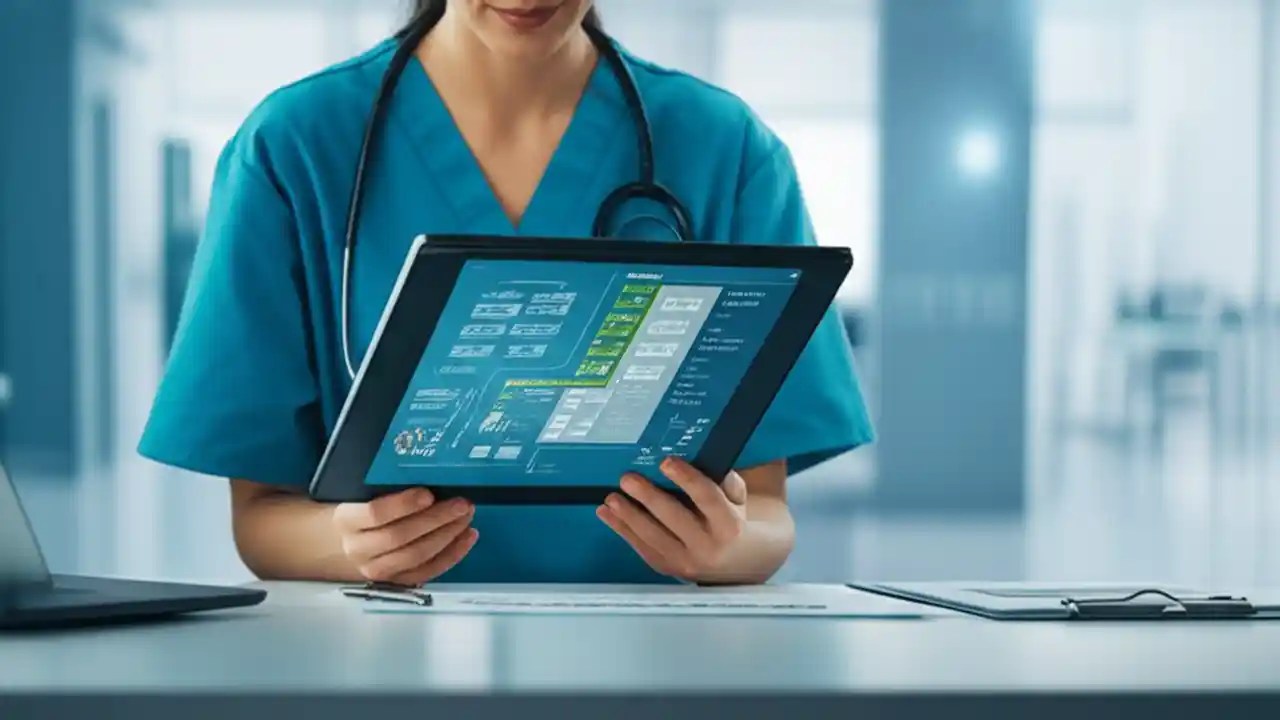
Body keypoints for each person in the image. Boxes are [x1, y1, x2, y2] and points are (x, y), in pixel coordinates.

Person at [138, 0, 873, 586]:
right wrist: (345, 542)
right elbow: (261, 519)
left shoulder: (726, 148)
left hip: (651, 661)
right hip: (384, 659)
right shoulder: (293, 145)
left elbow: (768, 513)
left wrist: (729, 549)